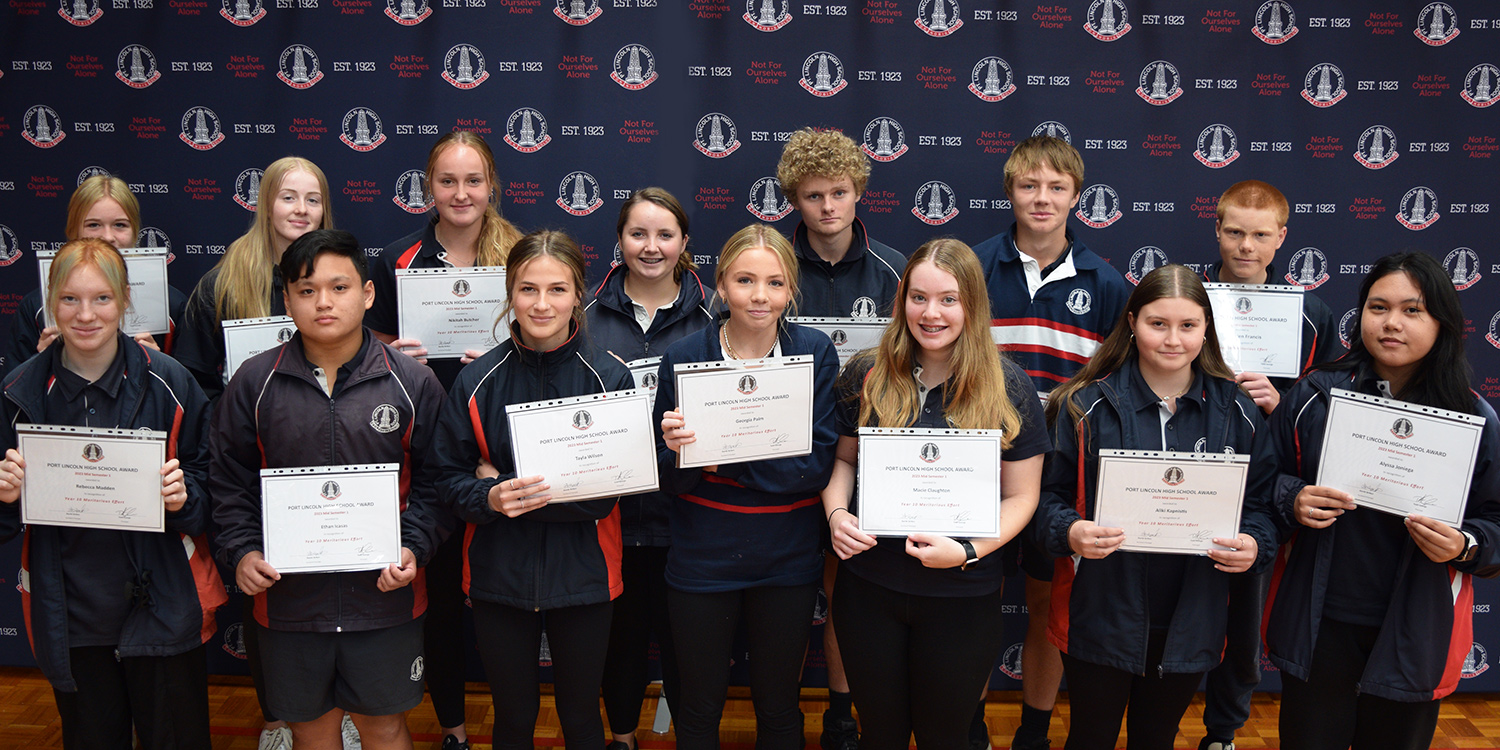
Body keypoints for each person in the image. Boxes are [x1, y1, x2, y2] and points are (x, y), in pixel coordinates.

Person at [210, 230, 449, 750]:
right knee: (311, 730)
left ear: (366, 294)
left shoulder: (412, 382)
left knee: (384, 726)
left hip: (385, 598)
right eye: (306, 289)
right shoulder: (253, 383)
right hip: (289, 601)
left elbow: (437, 483)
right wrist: (243, 551)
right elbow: (228, 482)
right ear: (287, 299)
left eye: (338, 287)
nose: (323, 302)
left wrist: (414, 546)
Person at [1033, 264, 1278, 750]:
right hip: (1102, 608)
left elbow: (1265, 505)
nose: (1173, 340)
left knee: (1156, 739)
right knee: (1089, 738)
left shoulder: (1238, 411)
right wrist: (1070, 532)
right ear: (1131, 322)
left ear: (1206, 328)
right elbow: (1042, 499)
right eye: (1157, 324)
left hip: (1194, 611)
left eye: (1188, 326)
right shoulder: (1082, 406)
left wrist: (1254, 543)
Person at [1263, 252, 1500, 750]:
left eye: (1412, 311)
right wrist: (1294, 498)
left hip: (1415, 628)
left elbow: (1494, 523)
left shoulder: (1473, 417)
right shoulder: (1314, 396)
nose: (1391, 323)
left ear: (1444, 323)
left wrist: (1464, 543)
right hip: (1319, 624)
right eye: (1378, 307)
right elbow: (1262, 481)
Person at [820, 239, 1049, 749]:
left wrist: (968, 550)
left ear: (972, 304)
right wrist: (836, 513)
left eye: (948, 299)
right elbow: (842, 460)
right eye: (918, 297)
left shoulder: (1008, 387)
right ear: (901, 301)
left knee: (946, 737)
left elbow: (1023, 497)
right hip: (869, 589)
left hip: (961, 597)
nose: (931, 313)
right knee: (880, 735)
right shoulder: (866, 373)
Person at [0, 238, 225, 749]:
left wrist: (183, 496)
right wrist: (5, 494)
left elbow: (211, 486)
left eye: (101, 298)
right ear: (50, 302)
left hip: (161, 602)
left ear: (125, 300)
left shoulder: (171, 383)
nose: (85, 315)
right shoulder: (18, 392)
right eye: (70, 299)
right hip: (72, 610)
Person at [432, 230, 631, 750]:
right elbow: (445, 480)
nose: (542, 304)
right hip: (500, 576)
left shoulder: (611, 378)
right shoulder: (476, 381)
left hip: (585, 575)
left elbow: (604, 496)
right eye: (527, 289)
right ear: (509, 292)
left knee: (582, 717)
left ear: (579, 294)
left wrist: (500, 489)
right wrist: (488, 498)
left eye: (558, 290)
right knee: (514, 718)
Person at [365, 131, 523, 750]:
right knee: (441, 599)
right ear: (429, 188)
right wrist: (390, 354)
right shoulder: (398, 260)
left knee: (502, 594)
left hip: (500, 452)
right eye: (448, 181)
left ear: (492, 187)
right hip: (427, 453)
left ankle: (512, 723)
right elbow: (361, 348)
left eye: (473, 180)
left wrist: (505, 355)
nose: (461, 193)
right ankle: (454, 728)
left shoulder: (518, 254)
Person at [971, 134, 1130, 750]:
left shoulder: (1108, 284)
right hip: (981, 471)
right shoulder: (974, 267)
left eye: (1056, 187)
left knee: (1045, 608)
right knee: (976, 608)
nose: (1042, 199)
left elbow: (1115, 387)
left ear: (1076, 197)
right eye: (1029, 186)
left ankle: (1033, 732)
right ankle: (969, 726)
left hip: (1060, 475)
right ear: (1010, 191)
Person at [654, 224, 840, 750]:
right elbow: (668, 478)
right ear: (721, 284)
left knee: (780, 706)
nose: (760, 296)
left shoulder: (814, 353)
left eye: (775, 283)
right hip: (700, 558)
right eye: (745, 280)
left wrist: (718, 459)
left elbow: (812, 468)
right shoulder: (684, 357)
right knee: (698, 707)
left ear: (790, 289)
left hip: (787, 560)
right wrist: (686, 453)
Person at [1194, 180, 1341, 750]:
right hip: (1190, 472)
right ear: (1217, 230)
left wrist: (1283, 407)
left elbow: (1332, 412)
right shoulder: (1187, 296)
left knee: (1246, 612)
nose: (1246, 246)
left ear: (1282, 237)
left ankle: (1223, 732)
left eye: (1259, 235)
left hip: (1265, 487)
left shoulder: (1313, 315)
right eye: (1234, 232)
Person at [776, 126, 905, 750]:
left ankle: (843, 712)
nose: (827, 207)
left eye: (839, 192)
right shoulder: (768, 268)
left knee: (847, 592)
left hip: (867, 458)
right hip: (781, 455)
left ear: (860, 193)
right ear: (792, 201)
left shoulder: (895, 273)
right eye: (812, 195)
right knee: (786, 593)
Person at [584, 188, 712, 750]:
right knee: (621, 645)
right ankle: (623, 738)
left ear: (686, 243)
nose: (651, 247)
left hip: (692, 517)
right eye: (638, 234)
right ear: (619, 240)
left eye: (665, 235)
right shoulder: (582, 316)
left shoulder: (719, 317)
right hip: (612, 517)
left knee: (692, 649)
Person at [176, 156, 334, 401]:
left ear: (323, 211)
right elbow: (195, 382)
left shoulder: (340, 284)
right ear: (266, 206)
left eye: (313, 200)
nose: (301, 208)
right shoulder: (221, 286)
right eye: (288, 197)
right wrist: (234, 422)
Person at [2, 175, 188, 379]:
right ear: (73, 231)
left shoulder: (173, 305)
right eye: (93, 225)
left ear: (135, 231)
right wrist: (40, 362)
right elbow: (12, 395)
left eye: (120, 225)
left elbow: (188, 390)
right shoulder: (36, 306)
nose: (108, 236)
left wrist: (160, 366)